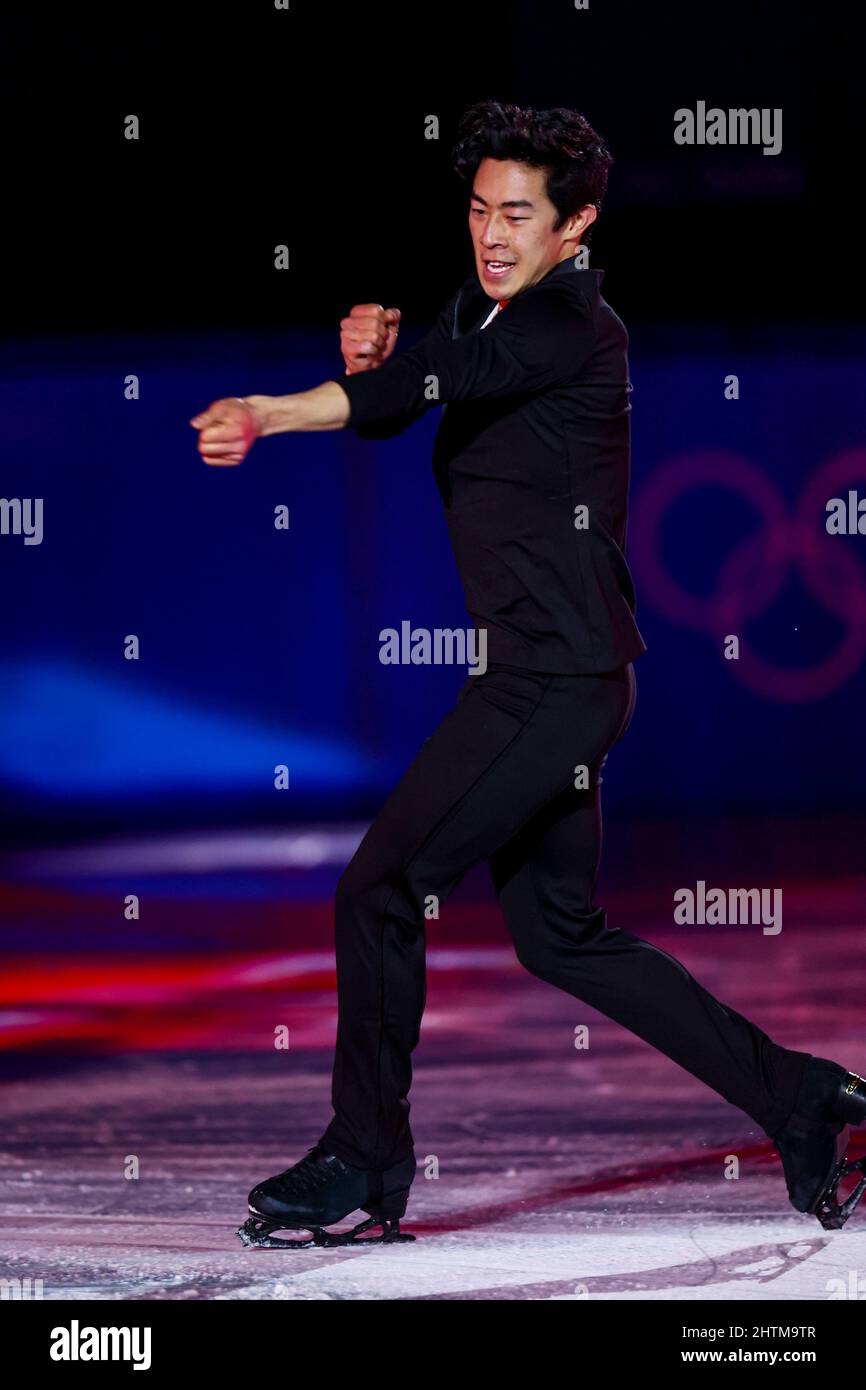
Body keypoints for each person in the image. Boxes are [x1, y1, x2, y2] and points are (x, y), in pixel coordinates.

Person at [191, 101, 866, 1249]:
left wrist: (271, 409)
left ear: (576, 224)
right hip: (561, 676)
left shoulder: (568, 325)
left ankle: (362, 1157)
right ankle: (801, 1098)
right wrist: (370, 363)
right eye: (475, 209)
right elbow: (412, 390)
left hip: (549, 684)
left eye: (516, 214)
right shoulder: (494, 308)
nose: (490, 234)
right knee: (559, 935)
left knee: (377, 889)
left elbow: (418, 388)